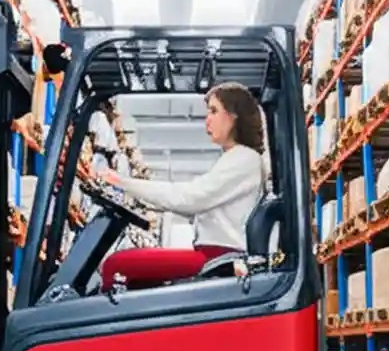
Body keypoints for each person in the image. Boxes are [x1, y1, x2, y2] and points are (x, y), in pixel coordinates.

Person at [97, 81, 267, 291]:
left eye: (214, 111)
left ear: (234, 116)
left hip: (218, 258)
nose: (207, 120)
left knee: (117, 265)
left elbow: (189, 199)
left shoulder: (243, 158)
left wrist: (122, 183)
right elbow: (192, 201)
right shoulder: (235, 158)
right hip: (215, 256)